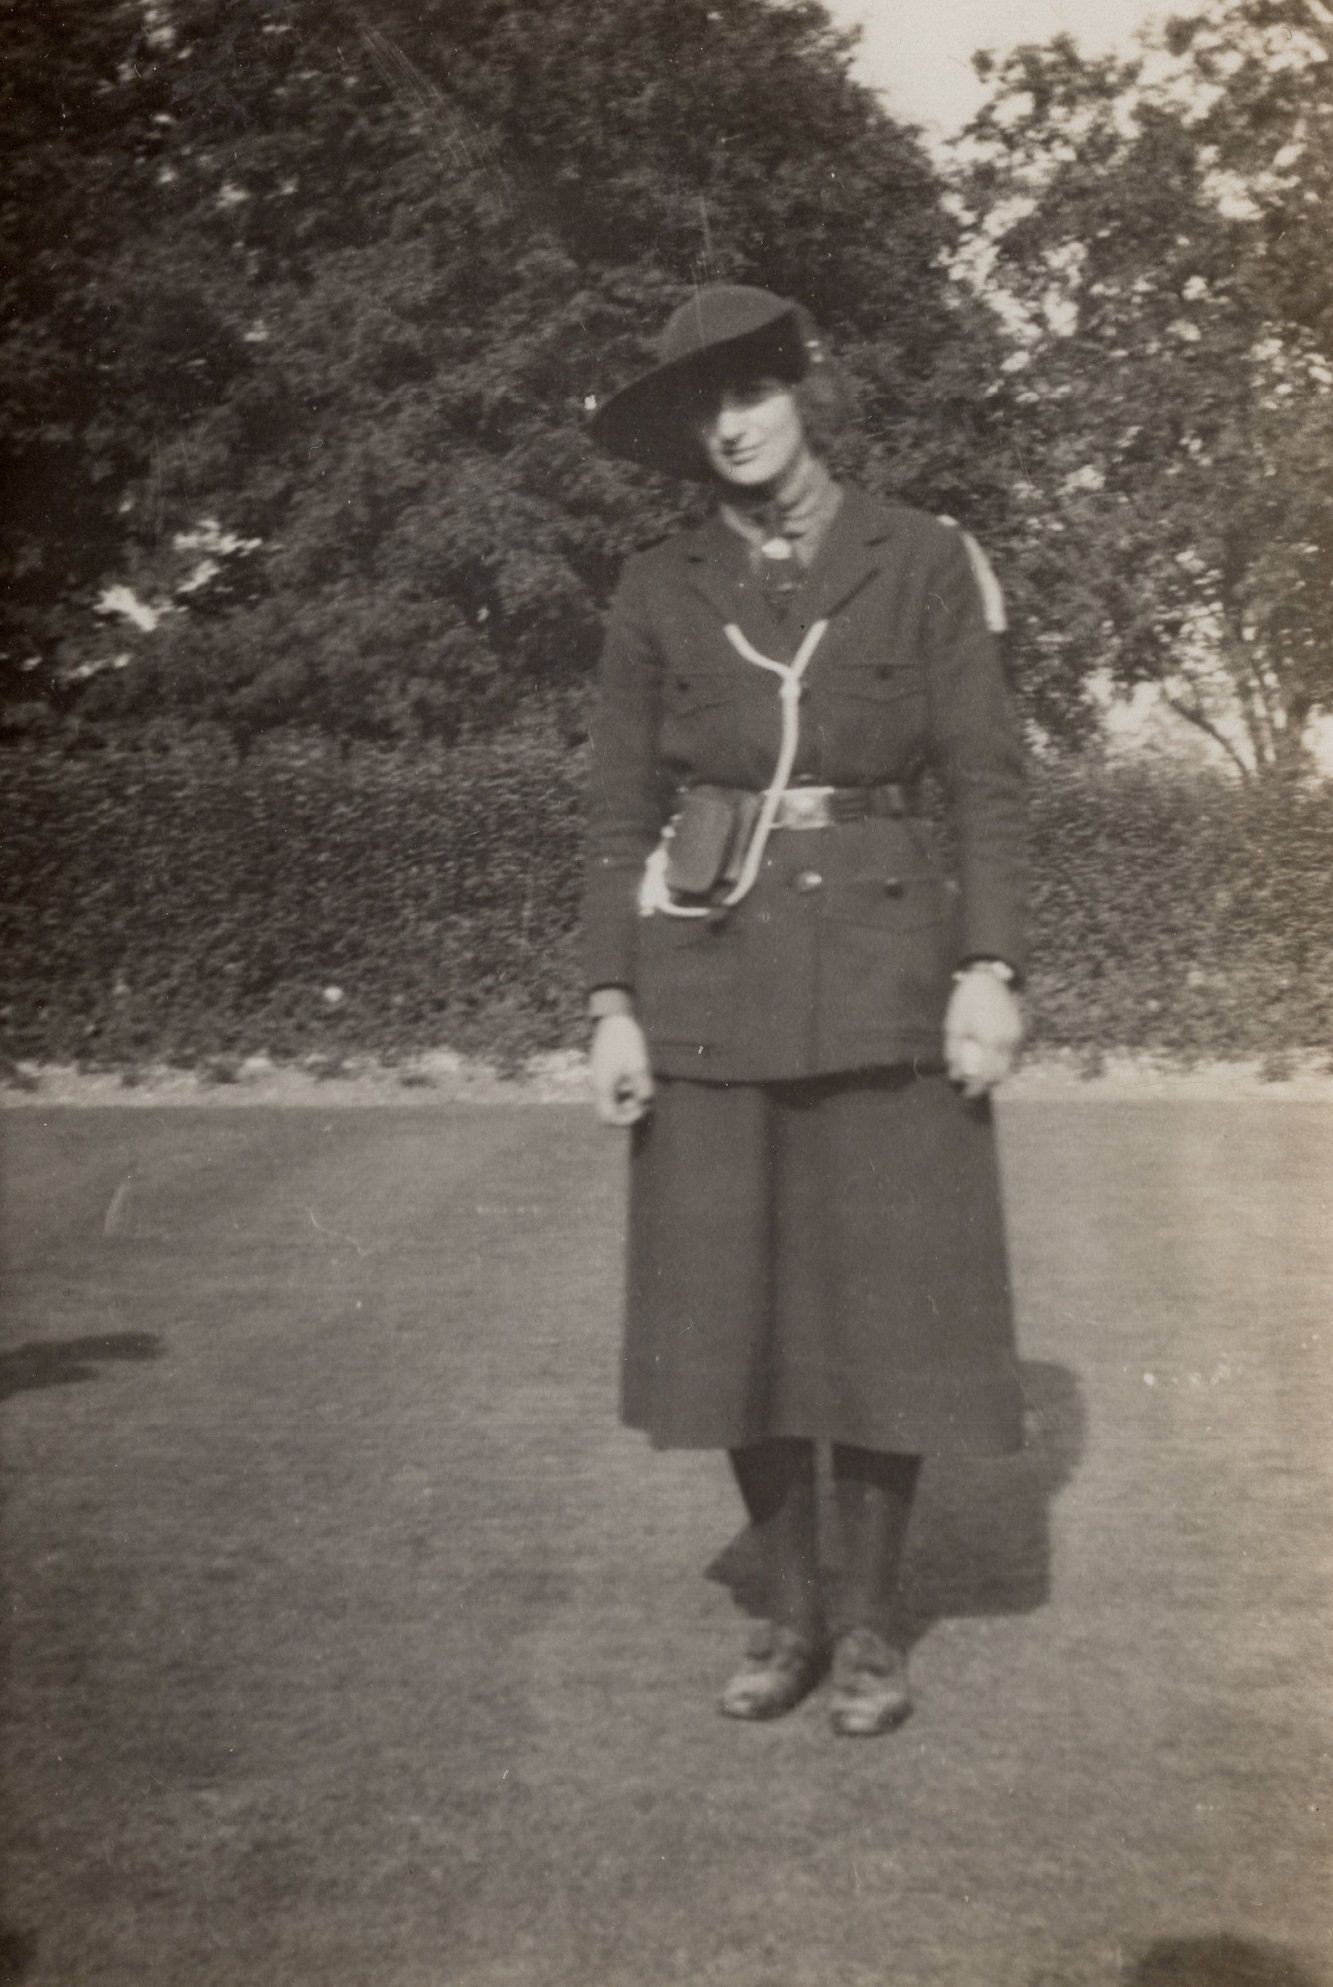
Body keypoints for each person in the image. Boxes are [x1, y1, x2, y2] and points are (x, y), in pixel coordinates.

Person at [582, 284, 1026, 1734]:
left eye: (750, 394)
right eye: (701, 411)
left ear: (800, 389)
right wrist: (608, 997)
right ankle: (785, 1616)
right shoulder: (656, 588)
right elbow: (614, 813)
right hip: (707, 979)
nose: (729, 427)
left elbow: (984, 786)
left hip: (893, 973)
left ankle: (874, 1632)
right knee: (733, 1315)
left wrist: (988, 968)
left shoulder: (924, 558)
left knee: (887, 1316)